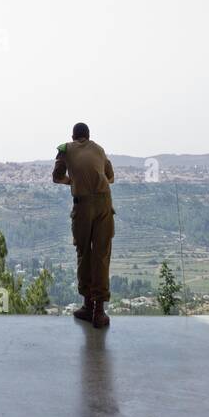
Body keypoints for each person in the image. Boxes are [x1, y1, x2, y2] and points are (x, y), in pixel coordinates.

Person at [52, 122, 115, 328]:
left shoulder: (65, 149)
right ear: (88, 136)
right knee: (101, 255)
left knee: (84, 253)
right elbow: (111, 177)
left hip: (84, 205)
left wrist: (72, 181)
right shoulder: (99, 149)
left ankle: (88, 305)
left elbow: (57, 176)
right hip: (105, 203)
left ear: (73, 136)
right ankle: (99, 311)